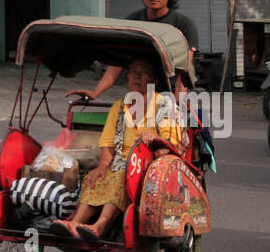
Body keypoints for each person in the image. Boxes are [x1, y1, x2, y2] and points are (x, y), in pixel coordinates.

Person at [54, 56, 187, 239]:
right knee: (95, 178)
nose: (137, 76)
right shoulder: (119, 106)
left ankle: (100, 225)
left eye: (143, 72)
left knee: (120, 179)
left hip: (148, 168)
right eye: (133, 71)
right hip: (119, 164)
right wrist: (102, 167)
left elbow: (171, 143)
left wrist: (154, 137)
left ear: (154, 80)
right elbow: (108, 142)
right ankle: (75, 223)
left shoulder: (164, 105)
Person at [83, 0, 199, 101]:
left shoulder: (184, 25)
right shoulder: (133, 22)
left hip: (170, 95)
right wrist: (95, 93)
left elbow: (184, 71)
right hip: (140, 94)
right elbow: (116, 64)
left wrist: (178, 104)